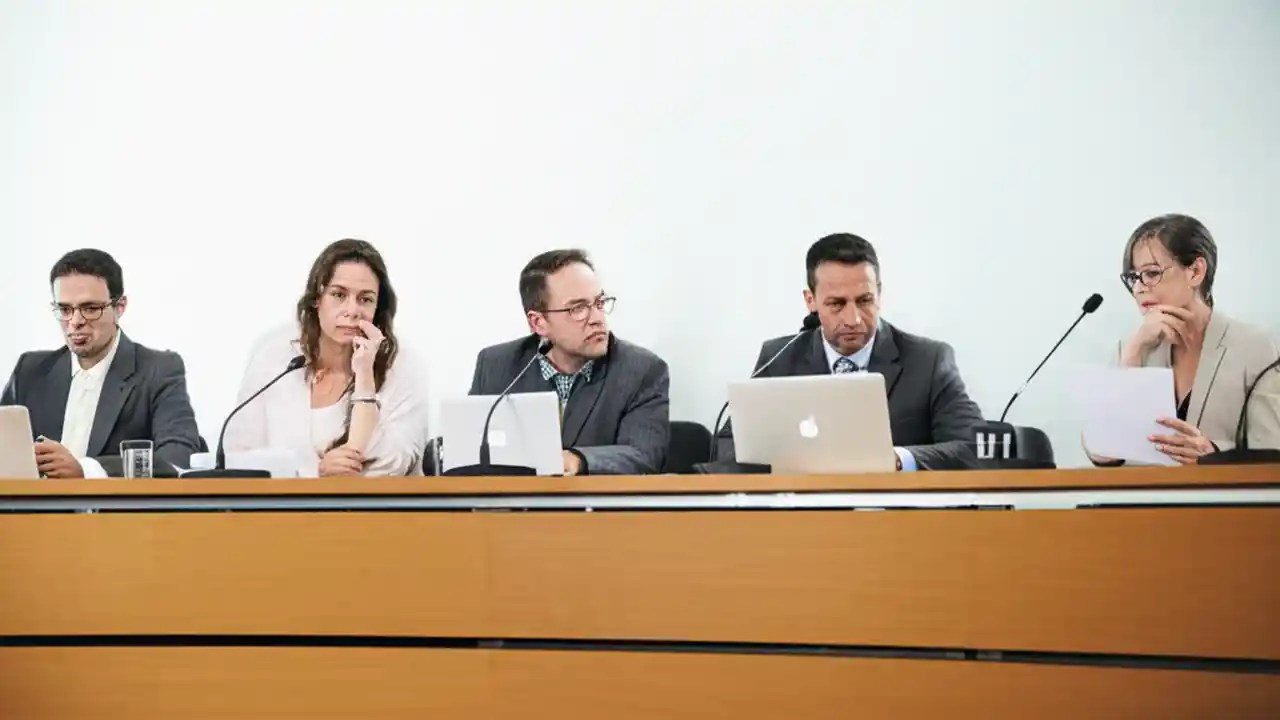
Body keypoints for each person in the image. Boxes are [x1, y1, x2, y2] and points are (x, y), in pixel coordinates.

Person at [720, 233, 983, 470]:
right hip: (804, 515)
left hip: (895, 517)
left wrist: (898, 459)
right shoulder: (778, 358)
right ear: (810, 300)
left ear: (879, 293)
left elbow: (973, 448)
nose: (853, 319)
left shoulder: (929, 360)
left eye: (865, 300)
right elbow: (728, 449)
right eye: (836, 304)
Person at [224, 239, 428, 477]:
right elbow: (238, 456)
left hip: (373, 510)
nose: (352, 310)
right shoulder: (276, 358)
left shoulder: (401, 364)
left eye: (365, 299)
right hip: (283, 511)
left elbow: (399, 461)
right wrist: (315, 475)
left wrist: (364, 377)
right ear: (317, 299)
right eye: (339, 295)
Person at [1093, 214, 1279, 464]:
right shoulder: (1130, 349)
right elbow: (1103, 454)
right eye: (1133, 278)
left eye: (1151, 273)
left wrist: (1214, 456)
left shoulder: (1256, 347)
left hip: (1226, 500)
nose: (1139, 288)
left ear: (1195, 271)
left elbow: (1271, 453)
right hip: (1143, 500)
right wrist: (1132, 356)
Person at [1, 249, 202, 477]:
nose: (75, 322)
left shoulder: (158, 370)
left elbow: (177, 457)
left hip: (114, 512)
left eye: (90, 309)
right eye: (65, 309)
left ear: (120, 308)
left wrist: (86, 469)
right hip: (32, 511)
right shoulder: (30, 370)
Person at [468, 249, 670, 475]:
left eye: (599, 303)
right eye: (578, 309)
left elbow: (644, 455)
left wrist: (578, 460)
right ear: (538, 323)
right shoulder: (497, 366)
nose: (597, 319)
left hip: (598, 507)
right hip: (518, 506)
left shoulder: (640, 370)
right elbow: (471, 454)